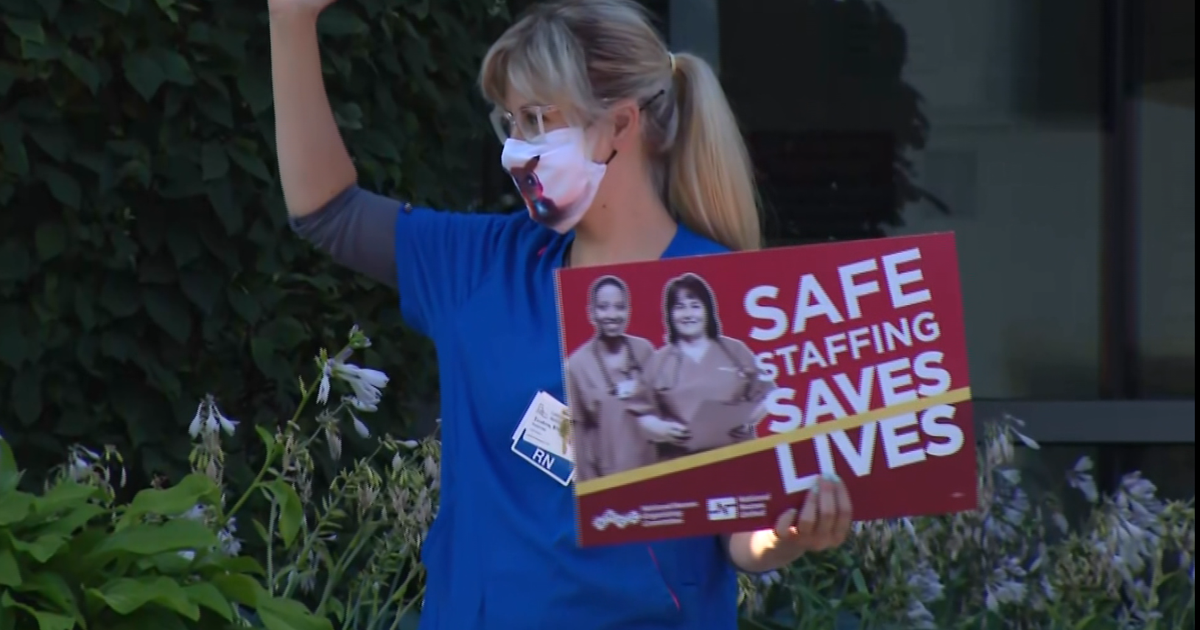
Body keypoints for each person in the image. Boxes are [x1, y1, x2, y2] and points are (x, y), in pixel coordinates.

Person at [268, 0, 854, 627]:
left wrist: (787, 535)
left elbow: (740, 529)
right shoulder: (480, 264)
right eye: (510, 123)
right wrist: (289, 19)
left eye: (538, 120)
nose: (517, 149)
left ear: (621, 125)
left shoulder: (715, 295)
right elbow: (327, 211)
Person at [631, 274, 774, 461]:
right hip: (681, 464)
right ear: (669, 314)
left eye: (695, 306)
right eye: (680, 307)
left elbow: (768, 394)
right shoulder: (658, 361)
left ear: (708, 311)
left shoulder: (734, 350)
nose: (688, 314)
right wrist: (662, 430)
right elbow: (640, 415)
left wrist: (749, 419)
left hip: (739, 457)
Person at [566, 275, 656, 482]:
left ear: (628, 311)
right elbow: (576, 437)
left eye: (619, 307)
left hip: (653, 472)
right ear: (591, 313)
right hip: (607, 479)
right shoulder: (577, 366)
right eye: (603, 307)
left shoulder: (645, 351)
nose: (612, 315)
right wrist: (590, 490)